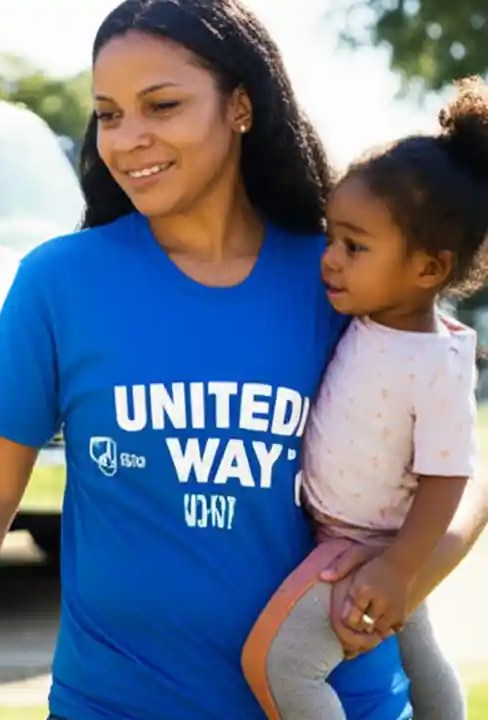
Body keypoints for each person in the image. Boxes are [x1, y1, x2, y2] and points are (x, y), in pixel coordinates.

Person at [0, 1, 488, 718]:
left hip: (336, 700)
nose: (129, 139)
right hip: (115, 703)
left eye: (161, 105)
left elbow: (458, 472)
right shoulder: (61, 283)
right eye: (108, 114)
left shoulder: (338, 275)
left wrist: (399, 574)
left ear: (241, 107)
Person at [241, 77, 488, 720]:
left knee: (279, 665)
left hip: (360, 543)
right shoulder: (374, 319)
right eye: (331, 238)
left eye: (355, 247)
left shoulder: (436, 362)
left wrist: (398, 569)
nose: (329, 260)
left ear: (428, 269)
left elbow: (448, 476)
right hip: (357, 534)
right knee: (420, 646)